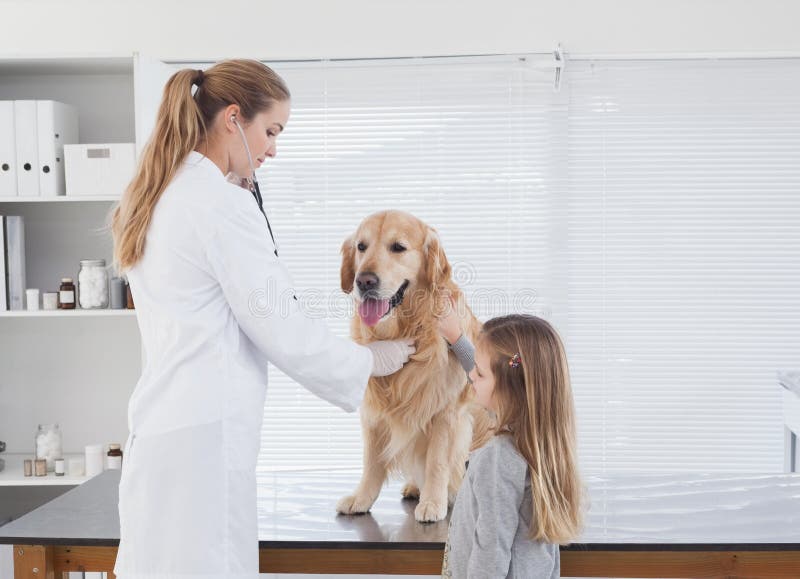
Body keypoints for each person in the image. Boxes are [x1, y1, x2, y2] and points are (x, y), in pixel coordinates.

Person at [110, 59, 415, 579]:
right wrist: (369, 359)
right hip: (204, 441)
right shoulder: (220, 205)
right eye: (270, 131)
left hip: (161, 432)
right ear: (233, 119)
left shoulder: (159, 195)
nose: (273, 147)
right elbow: (283, 329)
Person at [437, 312, 583, 578]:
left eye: (479, 374)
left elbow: (490, 556)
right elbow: (549, 558)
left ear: (509, 391)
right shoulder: (539, 446)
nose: (471, 376)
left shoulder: (498, 459)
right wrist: (456, 337)